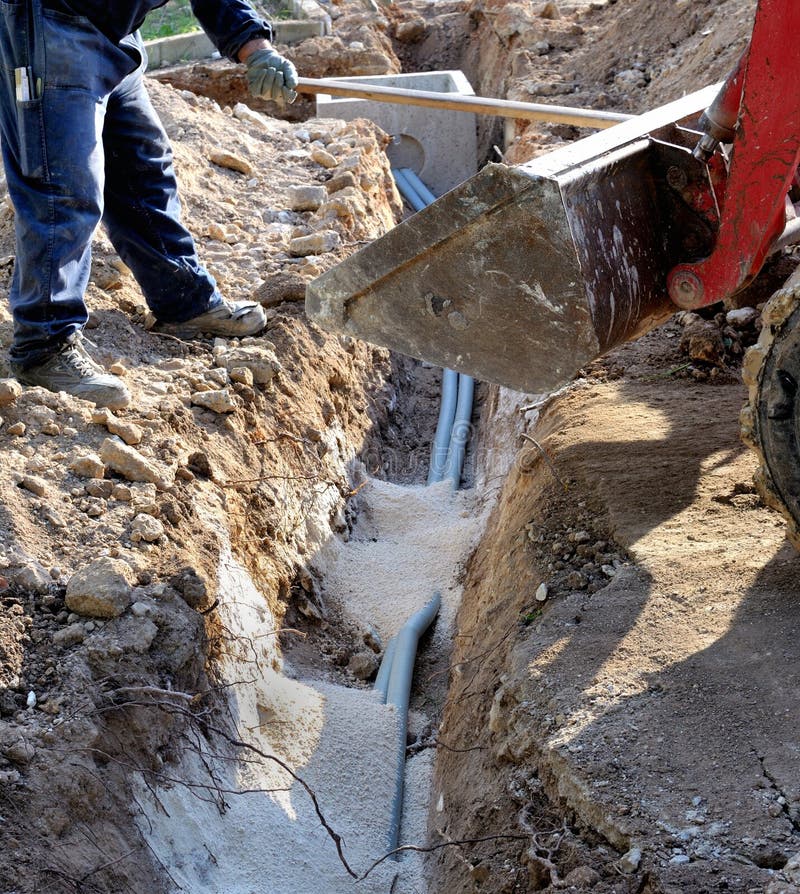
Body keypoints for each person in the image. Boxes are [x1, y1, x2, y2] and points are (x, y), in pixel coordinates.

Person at [0, 0, 298, 410]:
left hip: (117, 30)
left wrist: (257, 47)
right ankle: (44, 346)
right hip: (51, 24)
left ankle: (182, 300)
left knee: (143, 167)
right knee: (64, 187)